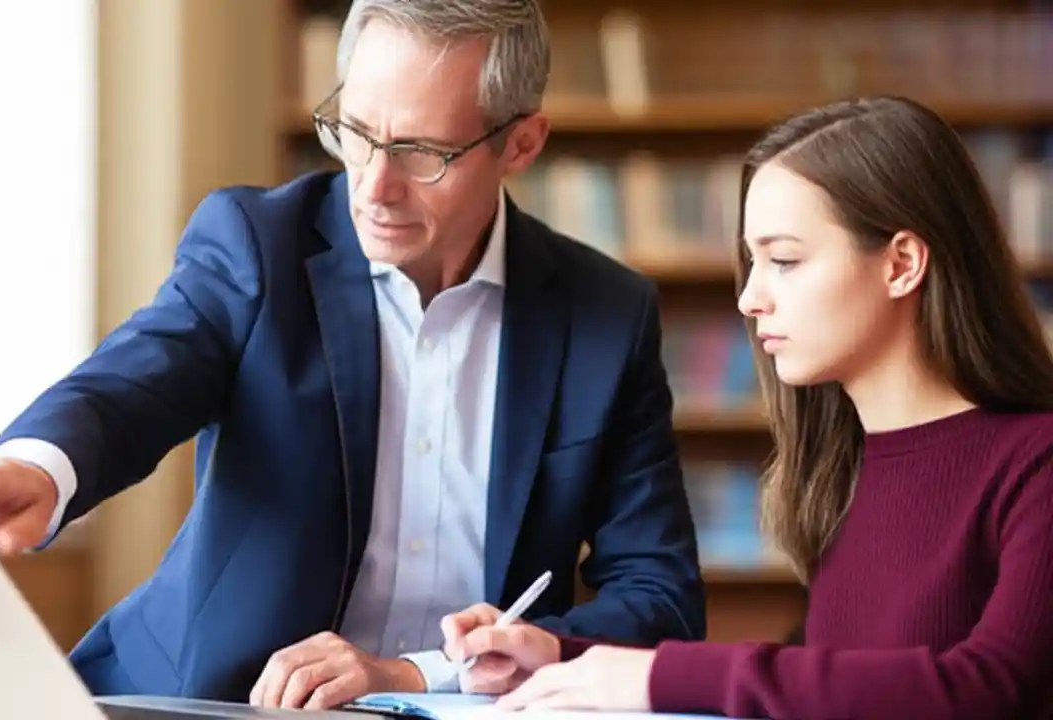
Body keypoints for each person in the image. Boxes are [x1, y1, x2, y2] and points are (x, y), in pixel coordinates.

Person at [0, 0, 705, 709]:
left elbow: (658, 594)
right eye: (356, 133)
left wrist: (414, 674)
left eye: (421, 151)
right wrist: (39, 467)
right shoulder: (258, 246)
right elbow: (137, 380)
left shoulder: (606, 315)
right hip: (208, 699)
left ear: (521, 143)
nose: (374, 187)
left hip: (460, 707)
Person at [440, 95, 1053, 719]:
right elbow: (831, 678)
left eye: (784, 260)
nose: (750, 298)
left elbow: (993, 686)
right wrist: (561, 653)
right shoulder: (840, 465)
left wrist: (658, 678)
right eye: (751, 262)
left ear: (901, 264)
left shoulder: (1037, 465)